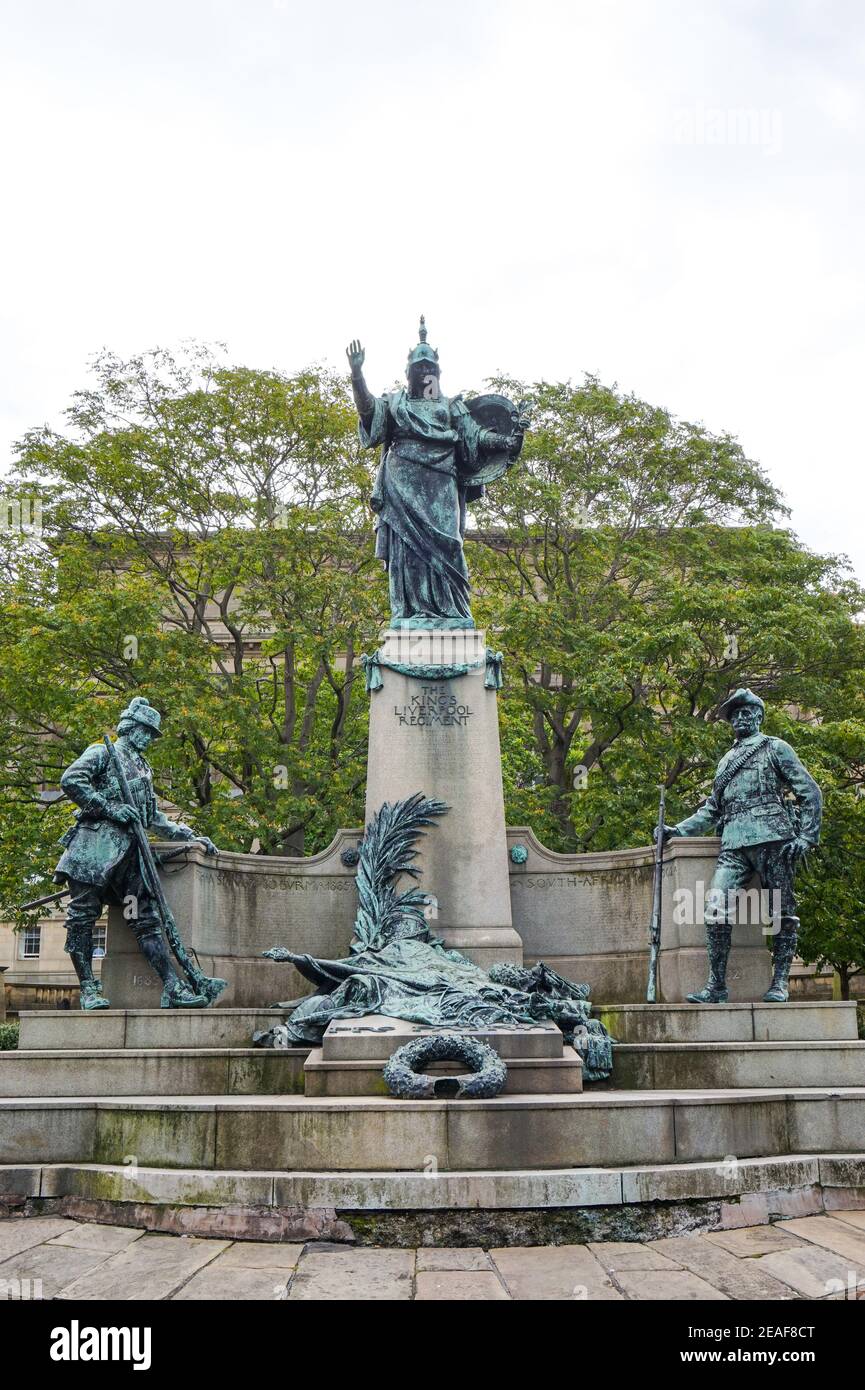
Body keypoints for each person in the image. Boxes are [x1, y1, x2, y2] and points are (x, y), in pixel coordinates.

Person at [657, 688, 822, 1003]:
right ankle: (717, 986)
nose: (741, 718)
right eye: (735, 714)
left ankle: (780, 983)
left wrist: (806, 837)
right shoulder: (726, 762)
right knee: (715, 908)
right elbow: (711, 810)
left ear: (759, 716)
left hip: (775, 840)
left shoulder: (776, 748)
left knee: (782, 913)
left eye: (747, 712)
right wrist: (677, 829)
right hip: (733, 844)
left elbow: (809, 792)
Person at [54, 696, 219, 1009]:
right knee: (83, 918)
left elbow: (153, 816)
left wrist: (188, 834)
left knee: (143, 919)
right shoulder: (104, 752)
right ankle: (88, 988)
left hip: (131, 855)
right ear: (129, 727)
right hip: (93, 852)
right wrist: (110, 809)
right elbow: (71, 780)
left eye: (152, 734)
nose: (148, 738)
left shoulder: (143, 767)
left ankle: (173, 986)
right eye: (145, 731)